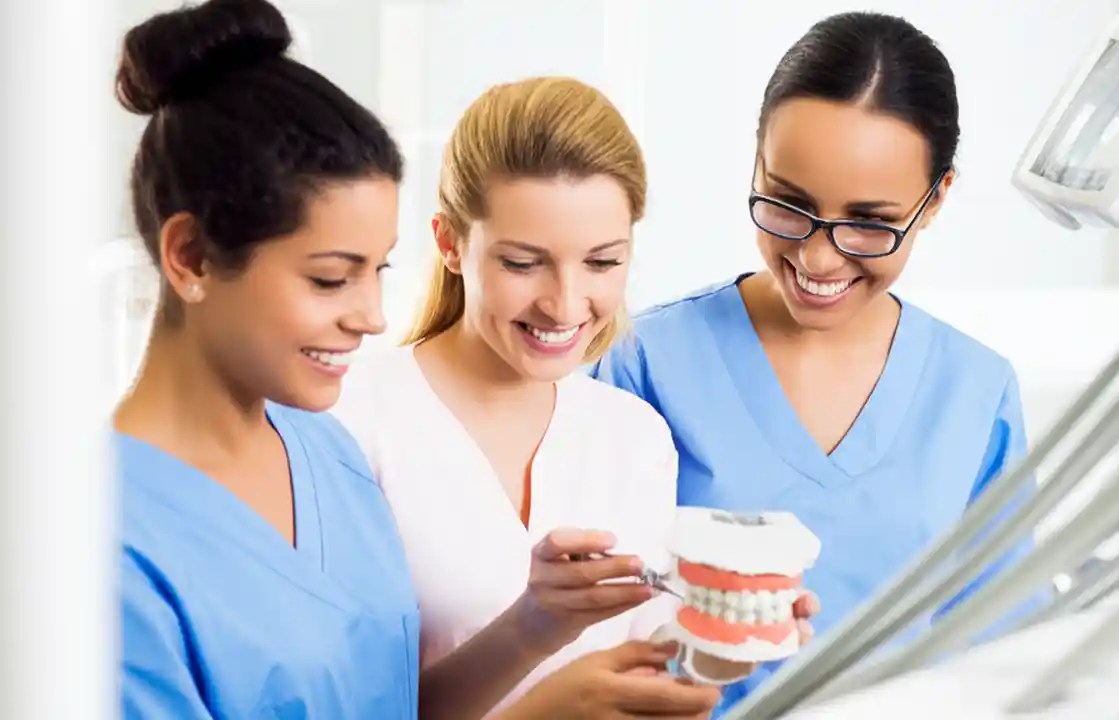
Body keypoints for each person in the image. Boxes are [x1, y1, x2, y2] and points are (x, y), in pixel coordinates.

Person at [113, 2, 720, 718]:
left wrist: (540, 626)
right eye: (331, 278)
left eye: (378, 272)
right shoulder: (107, 539)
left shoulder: (320, 458)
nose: (372, 316)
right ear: (190, 257)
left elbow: (394, 703)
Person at [592, 11, 1040, 714]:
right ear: (755, 163)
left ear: (936, 200)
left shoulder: (975, 394)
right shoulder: (642, 364)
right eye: (787, 203)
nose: (817, 258)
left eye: (869, 221)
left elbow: (1005, 649)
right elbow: (581, 627)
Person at [331, 76, 814, 717]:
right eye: (523, 263)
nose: (564, 304)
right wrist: (533, 633)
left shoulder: (633, 436)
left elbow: (643, 671)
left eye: (602, 262)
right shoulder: (350, 424)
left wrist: (733, 631)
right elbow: (339, 706)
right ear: (450, 243)